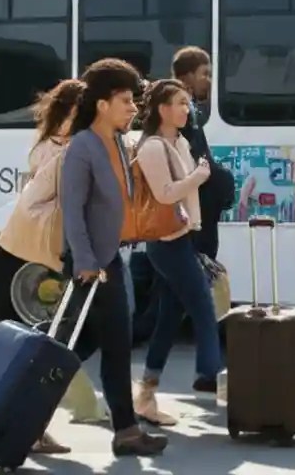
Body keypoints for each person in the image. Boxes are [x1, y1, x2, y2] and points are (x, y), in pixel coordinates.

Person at [58, 58, 169, 458]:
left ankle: (29, 412)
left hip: (111, 259)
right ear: (102, 104)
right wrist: (87, 262)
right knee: (111, 345)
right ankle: (125, 430)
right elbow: (72, 210)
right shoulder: (83, 147)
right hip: (93, 265)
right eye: (125, 99)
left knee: (78, 346)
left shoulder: (120, 144)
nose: (133, 107)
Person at [0, 79, 110, 454]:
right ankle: (36, 417)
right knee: (66, 338)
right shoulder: (54, 149)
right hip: (69, 252)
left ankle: (50, 411)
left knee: (74, 335)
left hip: (79, 251)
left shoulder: (70, 145)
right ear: (74, 109)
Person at [131, 79, 225, 427]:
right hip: (166, 242)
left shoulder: (180, 142)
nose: (188, 110)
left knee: (169, 320)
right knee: (203, 304)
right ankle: (211, 374)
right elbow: (167, 193)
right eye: (181, 103)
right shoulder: (153, 147)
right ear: (161, 110)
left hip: (183, 237)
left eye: (189, 104)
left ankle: (146, 392)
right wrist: (199, 177)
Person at [171, 46, 235, 259]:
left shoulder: (191, 110)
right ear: (187, 76)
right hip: (195, 205)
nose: (208, 80)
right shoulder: (183, 113)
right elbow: (195, 159)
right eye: (204, 74)